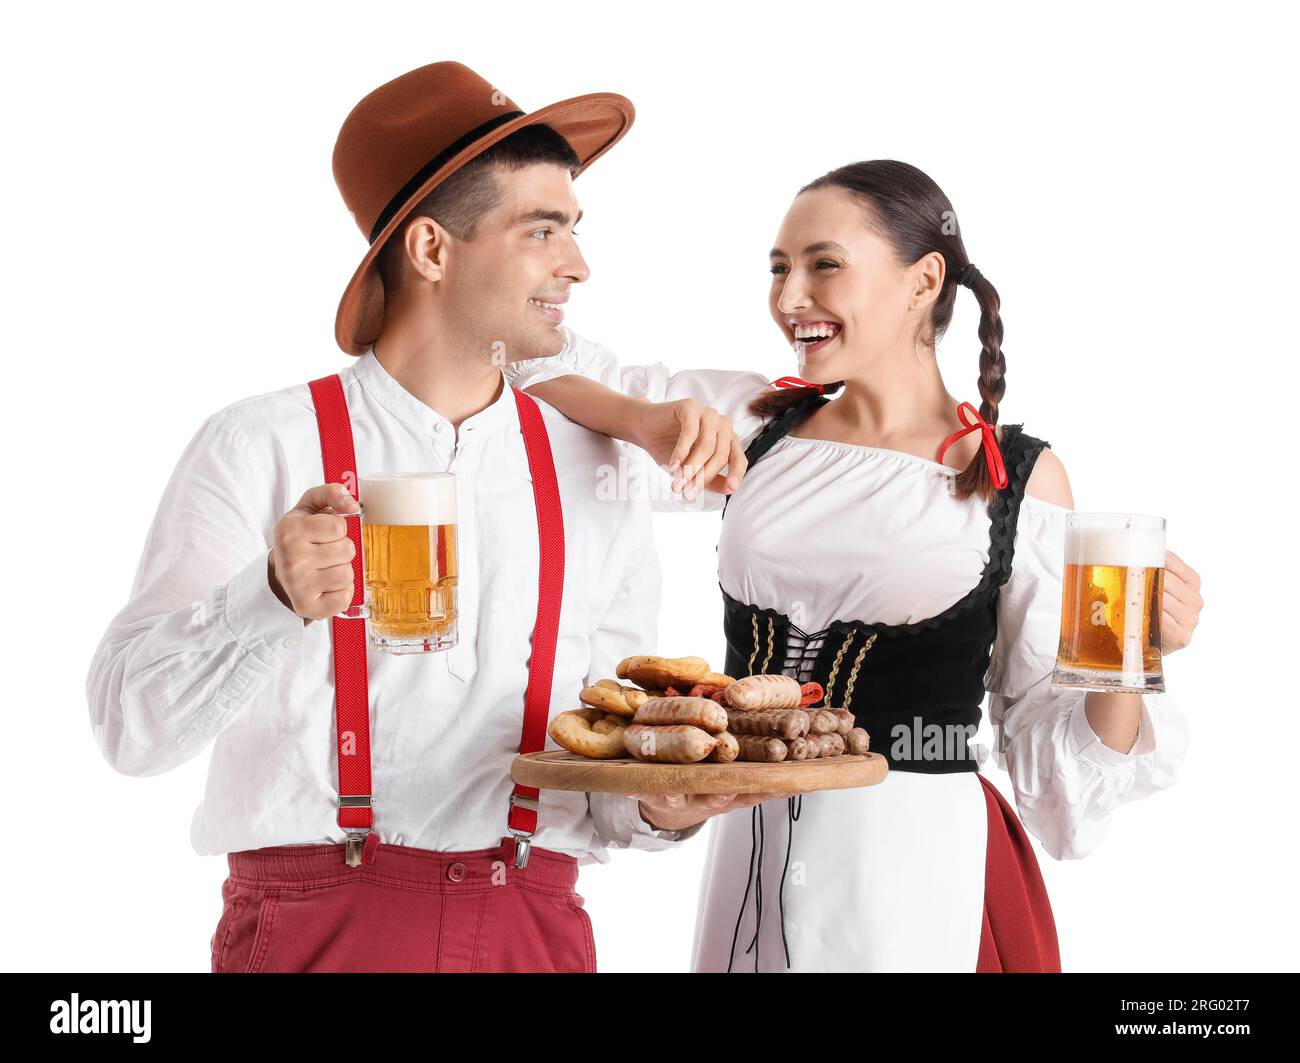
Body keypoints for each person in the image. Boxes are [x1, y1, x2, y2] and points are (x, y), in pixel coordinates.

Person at [83, 61, 768, 974]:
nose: (578, 264)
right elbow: (130, 730)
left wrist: (660, 807)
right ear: (434, 251)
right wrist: (269, 597)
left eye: (573, 229)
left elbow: (597, 759)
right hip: (318, 928)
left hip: (536, 924)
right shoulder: (262, 443)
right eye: (542, 230)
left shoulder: (591, 460)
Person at [503, 159, 1204, 971]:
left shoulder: (1014, 478)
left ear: (923, 281)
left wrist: (1132, 659)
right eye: (778, 268)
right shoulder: (753, 425)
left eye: (823, 264)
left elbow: (1057, 774)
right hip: (748, 852)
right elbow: (528, 365)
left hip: (918, 877)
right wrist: (645, 419)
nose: (789, 296)